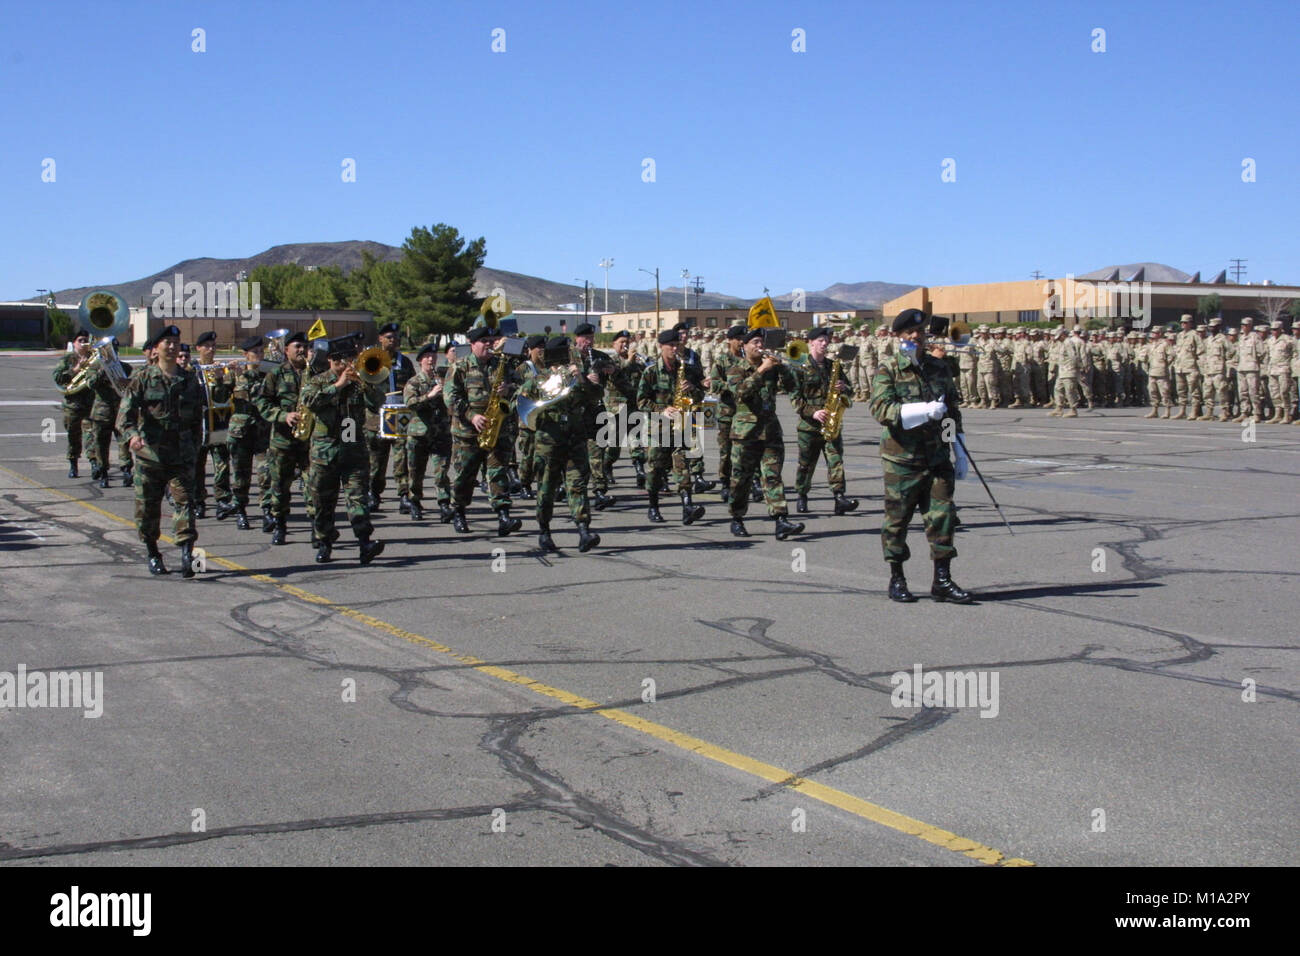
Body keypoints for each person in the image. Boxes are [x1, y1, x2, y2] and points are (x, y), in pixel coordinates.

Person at [869, 309, 971, 604]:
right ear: (898, 337)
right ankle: (897, 577)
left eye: (920, 332)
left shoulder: (938, 368)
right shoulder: (888, 369)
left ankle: (942, 580)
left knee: (943, 518)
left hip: (937, 457)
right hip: (902, 460)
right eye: (908, 334)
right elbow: (881, 411)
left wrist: (959, 449)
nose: (916, 337)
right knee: (897, 522)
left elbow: (951, 412)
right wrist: (923, 411)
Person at [115, 325, 205, 577]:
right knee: (148, 509)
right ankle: (153, 552)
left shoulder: (189, 381)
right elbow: (125, 416)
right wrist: (132, 436)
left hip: (181, 455)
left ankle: (187, 553)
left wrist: (195, 446)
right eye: (167, 342)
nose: (173, 346)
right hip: (150, 457)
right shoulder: (142, 379)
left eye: (176, 341)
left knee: (185, 502)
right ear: (156, 348)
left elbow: (198, 417)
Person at [300, 335, 386, 564]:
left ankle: (364, 542)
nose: (347, 365)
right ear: (331, 360)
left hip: (353, 450)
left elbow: (377, 402)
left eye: (350, 359)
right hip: (325, 451)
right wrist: (338, 386)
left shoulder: (359, 381)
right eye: (342, 361)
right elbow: (310, 401)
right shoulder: (318, 380)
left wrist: (366, 383)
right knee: (323, 502)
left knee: (358, 498)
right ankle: (325, 542)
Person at [521, 337, 602, 552]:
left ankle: (584, 531)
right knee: (546, 486)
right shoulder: (539, 380)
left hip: (574, 438)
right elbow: (519, 404)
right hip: (549, 440)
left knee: (577, 485)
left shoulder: (575, 377)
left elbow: (596, 396)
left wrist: (583, 379)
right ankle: (544, 531)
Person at [726, 329, 805, 539]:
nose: (759, 346)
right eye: (754, 342)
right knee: (741, 480)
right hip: (745, 433)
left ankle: (780, 520)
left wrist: (783, 367)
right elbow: (740, 393)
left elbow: (793, 386)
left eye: (761, 342)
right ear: (744, 346)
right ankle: (737, 518)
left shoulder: (772, 367)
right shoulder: (736, 368)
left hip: (770, 431)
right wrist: (762, 370)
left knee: (773, 476)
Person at [445, 325, 523, 535]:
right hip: (467, 433)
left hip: (497, 429)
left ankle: (503, 515)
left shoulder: (502, 364)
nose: (489, 344)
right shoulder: (460, 367)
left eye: (491, 340)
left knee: (498, 473)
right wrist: (472, 416)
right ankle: (459, 511)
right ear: (472, 344)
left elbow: (523, 386)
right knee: (465, 476)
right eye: (484, 341)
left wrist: (509, 389)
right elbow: (451, 398)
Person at [255, 331, 314, 544]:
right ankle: (279, 524)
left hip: (309, 441)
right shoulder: (276, 373)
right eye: (296, 346)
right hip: (282, 440)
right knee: (279, 486)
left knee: (312, 484)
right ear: (286, 349)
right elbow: (262, 403)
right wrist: (283, 415)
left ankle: (317, 528)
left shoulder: (314, 373)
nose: (301, 350)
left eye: (304, 346)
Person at [791, 326, 857, 516]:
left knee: (836, 461)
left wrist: (844, 387)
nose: (824, 343)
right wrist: (813, 412)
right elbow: (795, 399)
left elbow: (851, 391)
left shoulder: (833, 366)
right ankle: (802, 495)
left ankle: (839, 497)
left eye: (826, 340)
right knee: (806, 464)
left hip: (831, 422)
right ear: (810, 342)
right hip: (809, 426)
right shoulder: (799, 367)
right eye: (820, 340)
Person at [366, 322, 417, 512]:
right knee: (376, 460)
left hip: (399, 417)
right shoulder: (370, 360)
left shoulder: (404, 362)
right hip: (376, 417)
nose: (393, 340)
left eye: (396, 337)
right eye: (389, 337)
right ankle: (374, 494)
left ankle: (404, 495)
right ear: (380, 339)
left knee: (401, 457)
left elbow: (411, 385)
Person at [222, 335, 271, 528]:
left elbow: (262, 397)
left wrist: (249, 375)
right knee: (241, 476)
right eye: (255, 352)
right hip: (240, 432)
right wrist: (221, 377)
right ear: (245, 355)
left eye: (261, 351)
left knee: (266, 473)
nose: (259, 355)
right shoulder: (234, 374)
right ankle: (241, 510)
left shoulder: (267, 374)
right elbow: (219, 398)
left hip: (262, 430)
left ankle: (267, 510)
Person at [403, 343, 453, 521]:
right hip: (419, 433)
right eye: (427, 357)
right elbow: (410, 403)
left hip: (441, 432)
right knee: (416, 472)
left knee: (442, 471)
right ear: (420, 361)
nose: (431, 360)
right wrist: (430, 395)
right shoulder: (414, 382)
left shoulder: (443, 379)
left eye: (433, 356)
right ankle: (415, 502)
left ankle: (444, 504)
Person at [192, 330, 231, 519]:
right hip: (199, 426)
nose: (211, 349)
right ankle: (199, 501)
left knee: (222, 465)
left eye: (214, 346)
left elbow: (224, 398)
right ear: (198, 348)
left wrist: (219, 379)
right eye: (207, 346)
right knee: (198, 467)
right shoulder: (192, 369)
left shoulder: (220, 369)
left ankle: (222, 499)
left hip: (218, 426)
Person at [52, 330, 98, 479]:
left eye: (86, 340)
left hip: (90, 404)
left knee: (91, 435)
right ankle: (73, 464)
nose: (84, 343)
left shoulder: (94, 358)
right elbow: (58, 377)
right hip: (72, 405)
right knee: (73, 436)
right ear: (74, 343)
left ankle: (94, 464)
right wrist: (76, 370)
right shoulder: (67, 359)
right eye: (80, 340)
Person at [87, 337, 130, 488]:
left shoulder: (125, 367)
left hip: (120, 411)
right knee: (100, 444)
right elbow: (90, 384)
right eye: (110, 350)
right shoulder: (95, 367)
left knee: (124, 442)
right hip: (101, 412)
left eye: (114, 350)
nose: (113, 354)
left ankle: (126, 470)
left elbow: (131, 387)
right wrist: (102, 371)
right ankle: (103, 471)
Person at [710, 325, 747, 501]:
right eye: (738, 338)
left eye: (743, 338)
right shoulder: (722, 360)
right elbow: (714, 385)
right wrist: (734, 386)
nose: (741, 342)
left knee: (748, 450)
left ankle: (750, 481)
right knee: (726, 451)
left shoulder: (751, 360)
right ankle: (725, 482)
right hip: (727, 412)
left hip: (748, 413)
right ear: (730, 340)